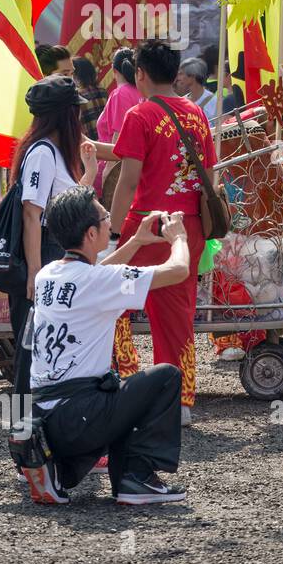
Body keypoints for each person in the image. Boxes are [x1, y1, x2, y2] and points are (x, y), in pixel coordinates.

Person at [21, 189, 191, 506]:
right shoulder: (98, 282)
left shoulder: (48, 274)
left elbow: (97, 277)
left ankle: (50, 463)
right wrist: (179, 238)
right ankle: (135, 477)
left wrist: (137, 241)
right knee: (165, 377)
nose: (109, 221)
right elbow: (178, 270)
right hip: (81, 419)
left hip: (47, 421)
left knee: (119, 388)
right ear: (90, 232)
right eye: (105, 218)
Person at [109, 41, 218, 424]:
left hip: (146, 225)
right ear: (175, 74)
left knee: (110, 303)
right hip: (186, 228)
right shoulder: (197, 115)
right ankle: (180, 400)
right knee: (177, 315)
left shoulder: (139, 115)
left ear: (139, 73)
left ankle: (125, 382)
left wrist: (111, 229)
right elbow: (210, 175)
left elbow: (128, 181)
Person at [9, 76, 104, 399]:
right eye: (74, 112)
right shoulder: (43, 153)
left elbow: (67, 204)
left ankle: (45, 418)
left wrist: (89, 171)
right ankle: (28, 425)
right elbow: (32, 214)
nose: (78, 118)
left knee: (51, 339)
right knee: (34, 341)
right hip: (44, 250)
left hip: (52, 248)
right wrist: (35, 272)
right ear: (64, 115)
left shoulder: (52, 151)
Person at [96, 48, 143, 205]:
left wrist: (108, 172)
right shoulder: (142, 92)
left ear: (114, 70)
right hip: (138, 167)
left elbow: (118, 136)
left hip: (118, 170)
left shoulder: (120, 94)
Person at [72, 57, 107, 140]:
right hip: (107, 141)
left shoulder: (76, 96)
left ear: (76, 75)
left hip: (88, 145)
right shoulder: (103, 91)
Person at [175, 57, 218, 122]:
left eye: (181, 74)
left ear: (192, 76)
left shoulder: (214, 102)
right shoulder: (180, 102)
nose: (178, 78)